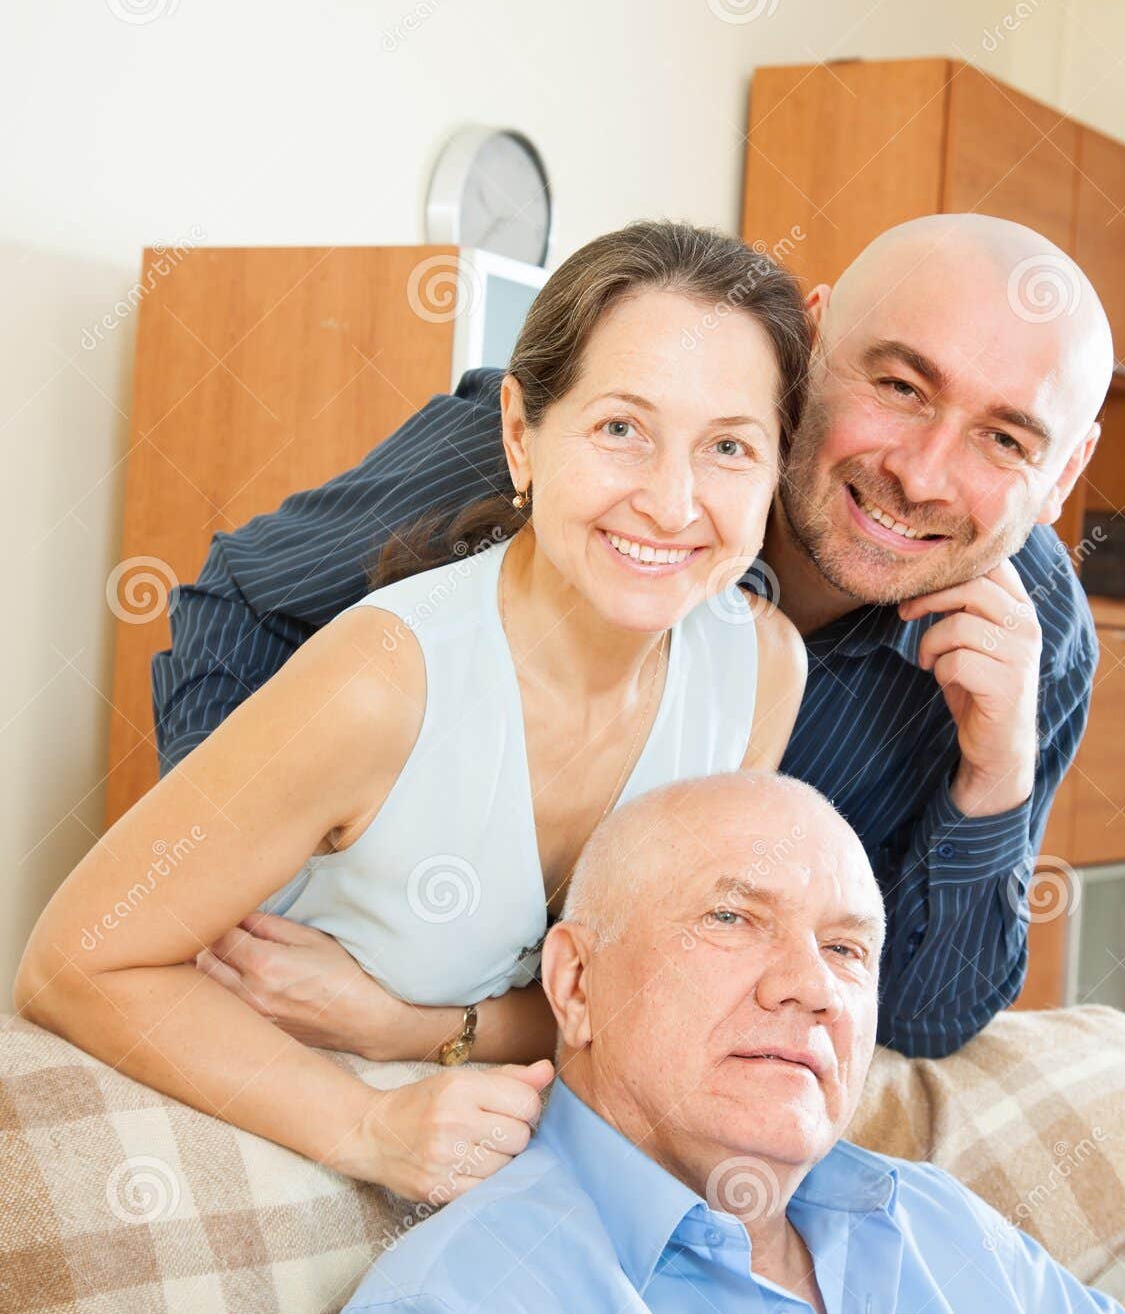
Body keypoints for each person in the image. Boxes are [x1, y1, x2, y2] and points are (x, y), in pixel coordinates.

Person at [151, 212, 1114, 1061]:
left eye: (1005, 438)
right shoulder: (572, 461)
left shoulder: (1033, 646)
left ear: (1066, 470)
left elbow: (916, 1022)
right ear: (813, 337)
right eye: (900, 386)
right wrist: (232, 887)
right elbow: (250, 599)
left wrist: (992, 780)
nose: (924, 474)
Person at [14, 222, 809, 1205]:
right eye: (619, 429)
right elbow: (72, 965)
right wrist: (367, 1123)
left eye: (728, 446)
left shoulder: (759, 672)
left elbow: (651, 991)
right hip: (246, 1158)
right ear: (521, 434)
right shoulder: (382, 680)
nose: (670, 500)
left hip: (477, 1170)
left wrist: (418, 1030)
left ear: (775, 469)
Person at [280, 772, 1125, 1314]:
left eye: (845, 949)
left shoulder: (934, 1224)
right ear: (577, 982)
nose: (810, 988)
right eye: (731, 919)